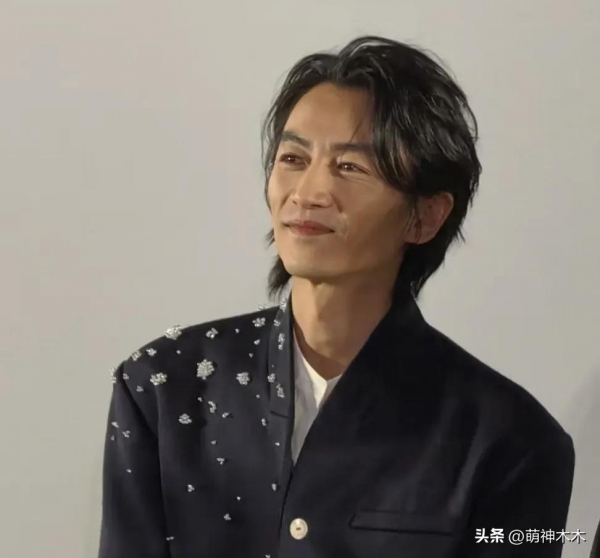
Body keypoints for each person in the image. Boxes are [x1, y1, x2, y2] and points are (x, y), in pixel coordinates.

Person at [98, 36, 575, 558]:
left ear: (425, 216)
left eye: (350, 167)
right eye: (293, 158)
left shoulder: (510, 440)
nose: (307, 193)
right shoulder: (165, 386)